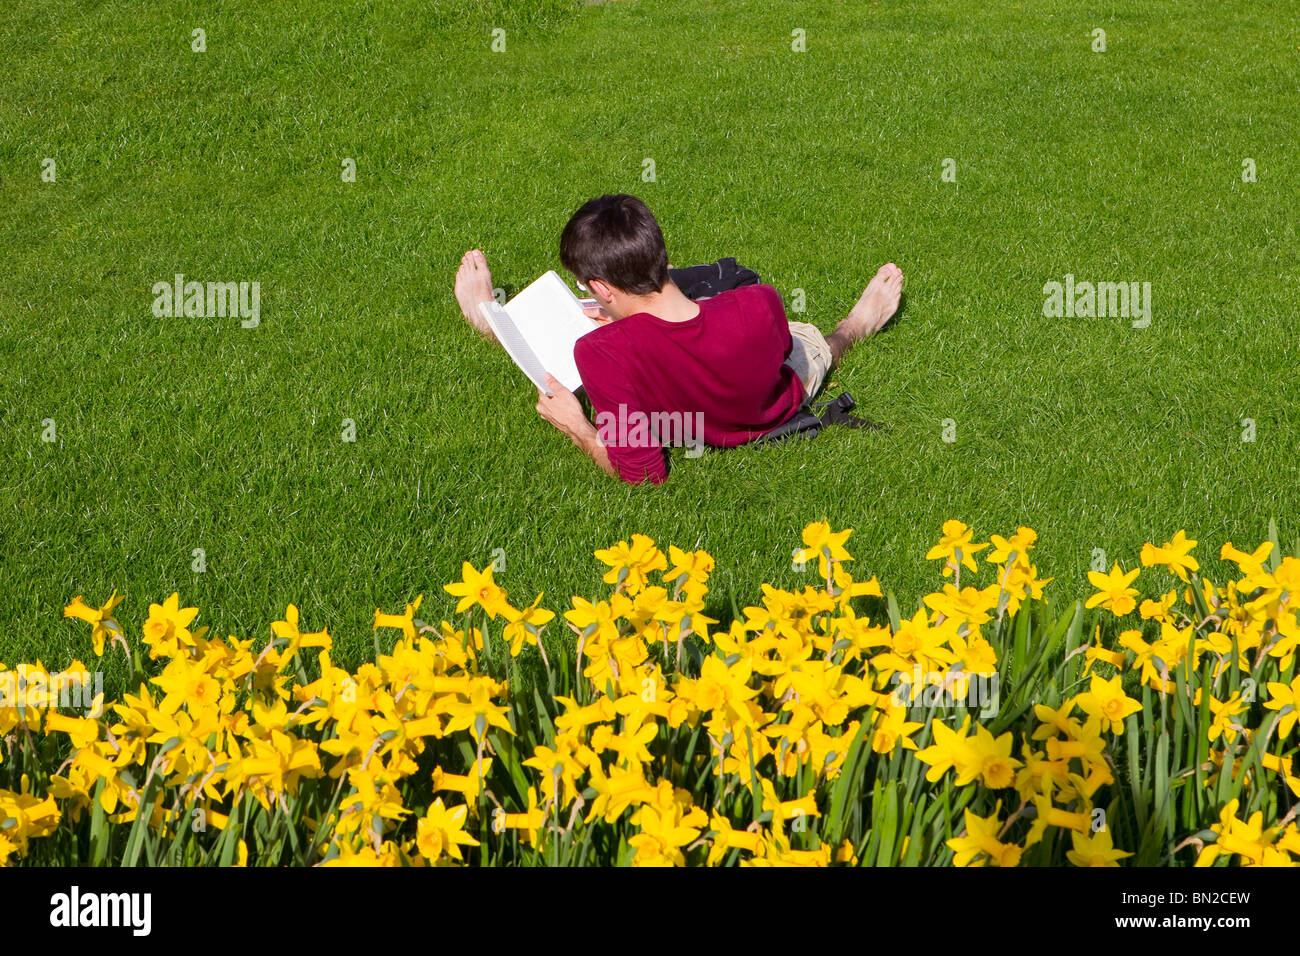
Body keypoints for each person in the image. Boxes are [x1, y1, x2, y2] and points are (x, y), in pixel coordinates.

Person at [453, 193, 902, 484]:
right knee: (815, 342)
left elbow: (644, 474)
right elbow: (777, 349)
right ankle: (853, 327)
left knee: (586, 342)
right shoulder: (759, 302)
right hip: (773, 400)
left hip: (681, 409)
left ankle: (493, 327)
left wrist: (579, 427)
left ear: (602, 289)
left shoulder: (601, 354)